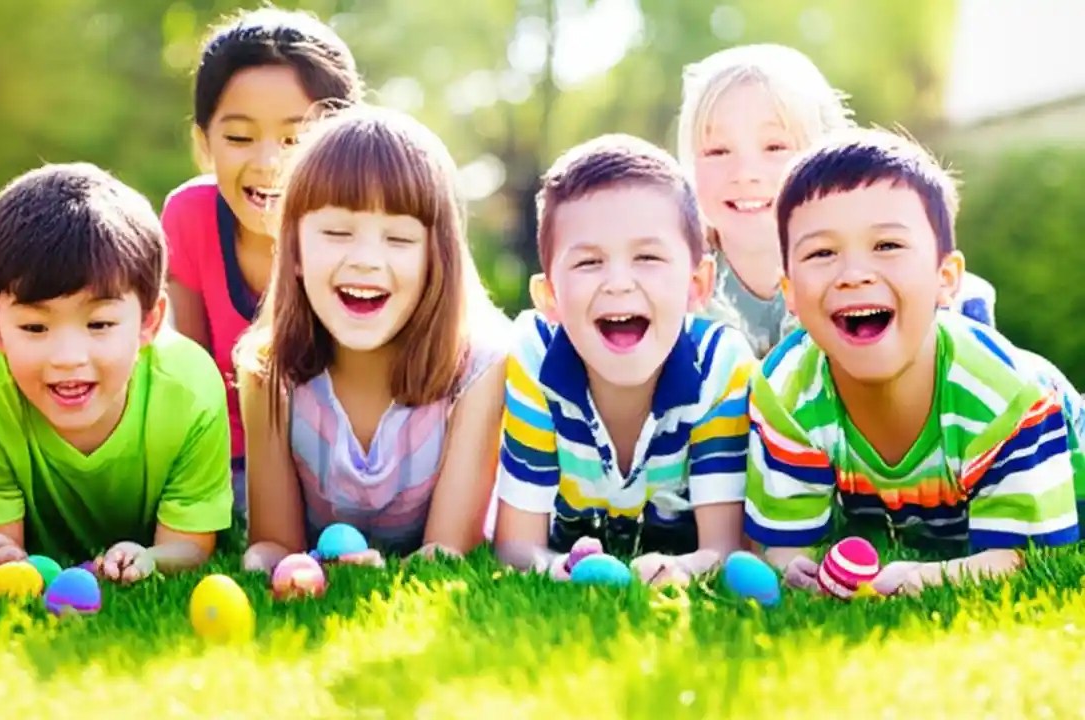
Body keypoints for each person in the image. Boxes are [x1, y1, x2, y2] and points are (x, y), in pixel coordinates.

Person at [745, 129, 1082, 596]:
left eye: (887, 246)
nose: (854, 274)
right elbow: (784, 548)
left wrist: (922, 577)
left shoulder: (1006, 395)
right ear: (790, 296)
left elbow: (1028, 557)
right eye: (822, 253)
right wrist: (798, 569)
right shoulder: (785, 392)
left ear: (946, 279)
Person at [0, 163, 233, 584]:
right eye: (35, 328)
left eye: (100, 324)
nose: (69, 358)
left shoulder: (191, 391)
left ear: (149, 320)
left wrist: (153, 557)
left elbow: (192, 545)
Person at [235, 107, 508, 572]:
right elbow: (274, 545)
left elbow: (446, 553)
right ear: (295, 249)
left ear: (434, 259)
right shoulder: (267, 372)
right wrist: (273, 566)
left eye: (398, 239)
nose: (365, 260)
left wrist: (376, 570)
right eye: (337, 233)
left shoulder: (480, 368)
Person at [492, 135, 756, 586]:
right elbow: (516, 545)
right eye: (589, 262)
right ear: (549, 297)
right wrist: (558, 568)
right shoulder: (534, 358)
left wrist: (682, 568)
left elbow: (724, 547)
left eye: (647, 257)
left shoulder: (719, 367)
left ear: (697, 284)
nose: (618, 283)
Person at [163, 8, 364, 518]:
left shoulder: (365, 235)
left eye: (296, 138)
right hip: (229, 462)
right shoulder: (189, 217)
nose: (269, 163)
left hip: (348, 465)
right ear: (203, 145)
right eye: (238, 138)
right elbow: (191, 381)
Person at [678, 44, 997, 356]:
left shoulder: (936, 298)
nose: (745, 173)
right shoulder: (676, 288)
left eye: (775, 147)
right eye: (717, 151)